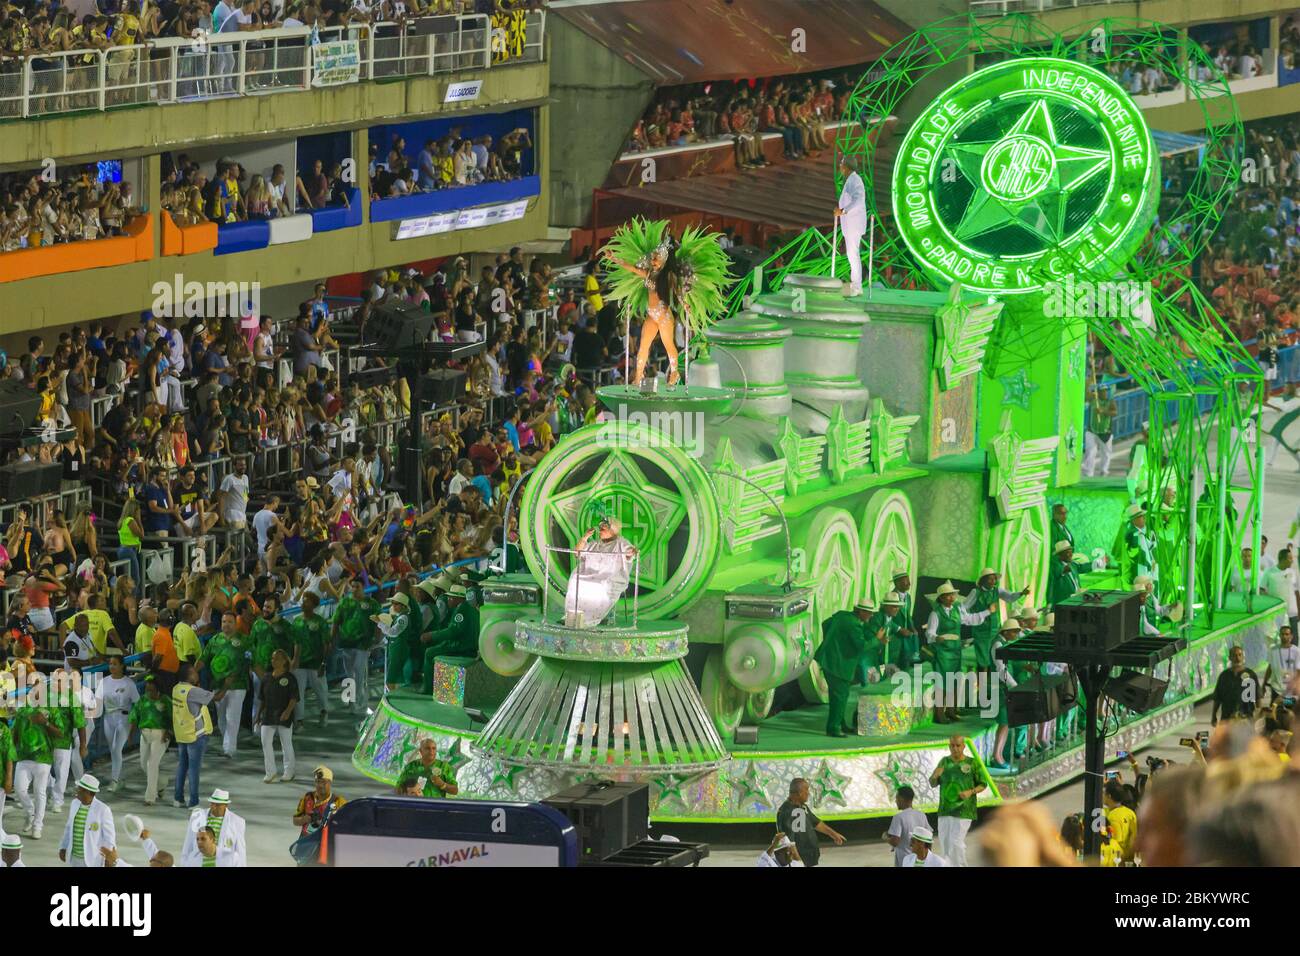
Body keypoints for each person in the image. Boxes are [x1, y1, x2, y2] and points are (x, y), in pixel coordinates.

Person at [923, 581, 994, 722]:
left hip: (955, 651)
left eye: (952, 595)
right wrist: (936, 638)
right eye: (948, 595)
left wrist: (988, 612)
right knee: (942, 683)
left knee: (954, 681)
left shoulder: (957, 610)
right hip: (943, 653)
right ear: (941, 598)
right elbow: (929, 632)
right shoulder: (935, 614)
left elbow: (970, 619)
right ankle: (939, 714)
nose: (951, 598)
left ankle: (951, 710)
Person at [563, 517, 636, 628]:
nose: (600, 531)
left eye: (603, 529)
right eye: (600, 528)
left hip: (608, 577)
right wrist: (585, 537)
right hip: (589, 575)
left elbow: (629, 552)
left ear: (612, 530)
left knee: (601, 585)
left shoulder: (621, 543)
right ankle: (572, 617)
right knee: (575, 580)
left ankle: (589, 619)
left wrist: (631, 552)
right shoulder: (595, 544)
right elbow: (577, 553)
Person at [814, 600, 873, 736]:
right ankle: (833, 728)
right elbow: (862, 646)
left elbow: (825, 624)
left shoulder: (842, 616)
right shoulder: (854, 624)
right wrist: (877, 639)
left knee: (840, 695)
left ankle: (840, 723)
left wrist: (834, 642)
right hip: (837, 664)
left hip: (829, 660)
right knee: (840, 696)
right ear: (861, 611)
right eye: (869, 613)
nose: (871, 616)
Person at [200, 611, 252, 758]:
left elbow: (249, 660)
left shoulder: (244, 641)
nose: (226, 624)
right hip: (217, 684)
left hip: (238, 684)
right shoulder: (214, 640)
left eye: (230, 622)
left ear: (235, 624)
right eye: (224, 622)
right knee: (221, 717)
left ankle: (230, 749)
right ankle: (226, 744)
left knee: (232, 717)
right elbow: (203, 659)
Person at [928, 735, 985, 867]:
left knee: (956, 842)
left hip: (964, 809)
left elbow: (983, 784)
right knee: (945, 844)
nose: (955, 748)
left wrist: (970, 792)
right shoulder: (944, 762)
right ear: (949, 746)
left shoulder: (972, 763)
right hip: (945, 809)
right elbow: (932, 783)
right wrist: (934, 776)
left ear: (963, 746)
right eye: (952, 745)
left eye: (958, 745)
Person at [171, 664, 218, 809]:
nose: (197, 674)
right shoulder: (193, 691)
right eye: (194, 672)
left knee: (182, 766)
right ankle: (194, 802)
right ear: (189, 675)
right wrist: (227, 685)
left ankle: (178, 798)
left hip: (182, 733)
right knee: (194, 769)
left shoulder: (176, 688)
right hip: (195, 735)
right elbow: (215, 698)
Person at [419, 584, 480, 695]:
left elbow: (453, 631)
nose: (448, 600)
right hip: (468, 646)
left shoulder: (461, 610)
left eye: (451, 598)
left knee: (429, 652)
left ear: (458, 599)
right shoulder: (470, 608)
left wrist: (432, 635)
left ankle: (427, 688)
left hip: (462, 647)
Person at [332, 579, 379, 719]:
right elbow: (336, 622)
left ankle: (360, 702)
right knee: (349, 674)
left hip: (363, 644)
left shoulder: (372, 603)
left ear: (363, 587)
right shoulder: (344, 602)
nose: (353, 589)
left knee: (359, 672)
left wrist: (376, 639)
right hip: (346, 642)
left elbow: (378, 621)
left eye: (357, 586)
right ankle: (352, 701)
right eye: (352, 586)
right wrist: (331, 639)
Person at [775, 777, 844, 867]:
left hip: (809, 859)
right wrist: (798, 863)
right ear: (799, 793)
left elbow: (816, 823)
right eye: (806, 790)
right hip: (799, 861)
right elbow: (788, 842)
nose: (808, 793)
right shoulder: (786, 811)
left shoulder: (802, 807)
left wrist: (833, 834)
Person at [95, 655, 139, 793]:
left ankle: (114, 780)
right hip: (108, 718)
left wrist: (134, 723)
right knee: (113, 750)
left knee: (116, 748)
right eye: (110, 664)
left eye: (115, 664)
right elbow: (98, 700)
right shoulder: (103, 682)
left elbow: (137, 703)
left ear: (121, 666)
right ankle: (118, 778)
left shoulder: (129, 683)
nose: (112, 666)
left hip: (124, 718)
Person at [290, 592, 331, 727]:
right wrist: (294, 660)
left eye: (307, 601)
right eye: (303, 600)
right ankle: (299, 720)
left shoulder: (320, 622)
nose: (303, 603)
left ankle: (324, 712)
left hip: (316, 663)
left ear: (313, 605)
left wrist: (323, 663)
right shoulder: (296, 621)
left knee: (320, 690)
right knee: (298, 692)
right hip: (300, 663)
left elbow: (326, 644)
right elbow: (295, 642)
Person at [128, 675, 170, 806]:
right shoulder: (143, 700)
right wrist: (130, 734)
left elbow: (172, 717)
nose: (149, 692)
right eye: (147, 690)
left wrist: (168, 732)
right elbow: (134, 716)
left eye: (152, 690)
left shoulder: (165, 700)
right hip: (145, 734)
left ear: (158, 689)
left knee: (152, 764)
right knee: (143, 764)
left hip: (160, 734)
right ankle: (161, 783)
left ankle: (150, 797)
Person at [257, 648, 298, 783]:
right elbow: (262, 699)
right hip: (268, 715)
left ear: (285, 661)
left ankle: (289, 771)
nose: (274, 661)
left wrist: (287, 712)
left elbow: (294, 698)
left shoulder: (290, 678)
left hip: (284, 715)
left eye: (278, 658)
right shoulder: (267, 678)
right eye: (273, 658)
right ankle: (270, 772)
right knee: (265, 743)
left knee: (286, 743)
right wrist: (258, 715)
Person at [57, 773, 115, 867]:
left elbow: (109, 837)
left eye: (79, 789)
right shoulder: (74, 804)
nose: (76, 790)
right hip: (74, 858)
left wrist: (108, 857)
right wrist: (63, 847)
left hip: (93, 859)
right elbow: (68, 828)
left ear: (87, 792)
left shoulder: (103, 810)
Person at [180, 788, 247, 867]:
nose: (214, 807)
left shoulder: (237, 821)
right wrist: (184, 863)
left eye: (217, 805)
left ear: (226, 805)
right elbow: (188, 843)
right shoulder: (197, 817)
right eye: (212, 804)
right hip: (198, 862)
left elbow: (240, 851)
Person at [1211, 645, 1261, 725]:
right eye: (1234, 655)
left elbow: (1257, 697)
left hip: (1246, 718)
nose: (1238, 658)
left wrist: (1259, 717)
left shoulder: (1251, 675)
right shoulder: (1224, 676)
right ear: (1230, 658)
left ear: (1243, 656)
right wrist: (1214, 715)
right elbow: (1217, 698)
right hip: (1227, 719)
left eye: (1240, 655)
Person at [395, 737, 459, 798]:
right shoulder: (411, 766)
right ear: (421, 751)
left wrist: (442, 784)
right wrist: (409, 793)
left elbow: (455, 791)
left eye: (434, 748)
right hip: (414, 804)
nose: (431, 751)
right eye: (427, 748)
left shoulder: (444, 767)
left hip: (434, 805)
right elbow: (398, 788)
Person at [293, 765, 346, 836]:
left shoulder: (339, 801)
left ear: (330, 782)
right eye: (318, 781)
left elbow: (347, 825)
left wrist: (330, 822)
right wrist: (304, 819)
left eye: (324, 782)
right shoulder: (307, 797)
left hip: (327, 840)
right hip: (306, 840)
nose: (320, 785)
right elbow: (295, 821)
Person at [884, 785, 928, 867]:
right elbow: (928, 839)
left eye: (896, 798)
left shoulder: (898, 817)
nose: (895, 801)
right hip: (920, 860)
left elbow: (895, 841)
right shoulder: (922, 815)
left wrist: (885, 837)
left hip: (904, 861)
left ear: (901, 799)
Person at [1260, 546, 1300, 637]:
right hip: (1277, 614)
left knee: (1293, 640)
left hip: (1292, 613)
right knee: (1277, 638)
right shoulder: (1269, 572)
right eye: (1290, 558)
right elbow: (1261, 589)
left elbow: (1297, 592)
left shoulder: (1293, 572)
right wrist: (1270, 602)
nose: (1292, 561)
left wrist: (1299, 610)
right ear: (1282, 559)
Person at [1101, 780, 1138, 866]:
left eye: (1103, 793)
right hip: (1130, 859)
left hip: (1117, 861)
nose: (1102, 796)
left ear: (1109, 796)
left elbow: (1115, 843)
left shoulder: (1113, 817)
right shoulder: (1130, 813)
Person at [1265, 625, 1299, 704]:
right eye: (1282, 634)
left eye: (1287, 634)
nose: (1284, 636)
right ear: (1279, 635)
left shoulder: (1297, 651)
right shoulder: (1273, 650)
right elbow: (1270, 668)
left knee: (1289, 707)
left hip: (1291, 690)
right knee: (1274, 709)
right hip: (1276, 689)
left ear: (1291, 636)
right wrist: (1264, 684)